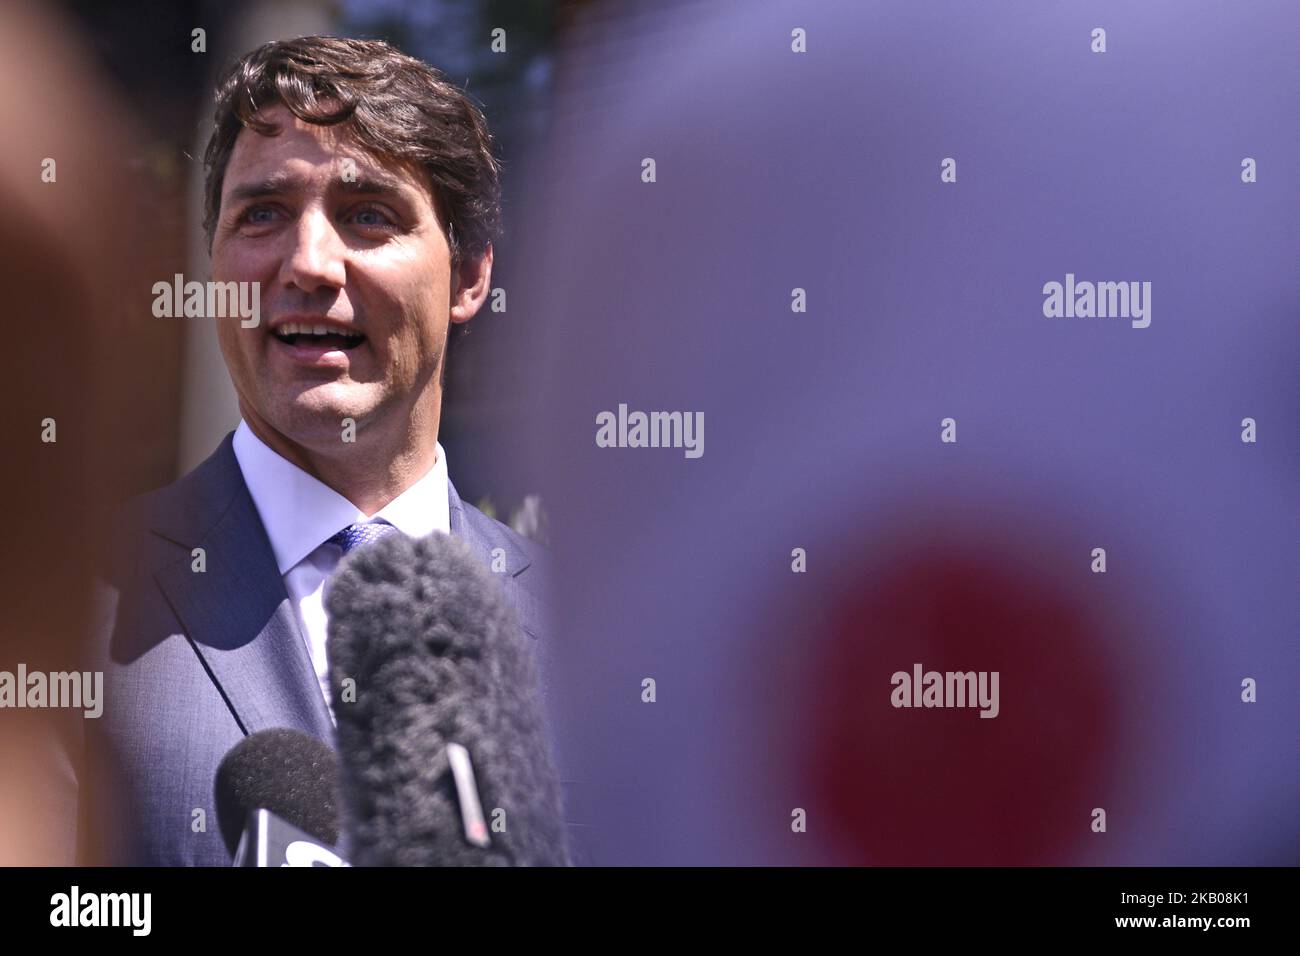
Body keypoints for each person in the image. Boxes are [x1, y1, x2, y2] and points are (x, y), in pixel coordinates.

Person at [75, 36, 568, 865]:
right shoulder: (66, 617)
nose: (307, 263)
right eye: (262, 213)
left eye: (368, 213)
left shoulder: (597, 640)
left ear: (472, 273)